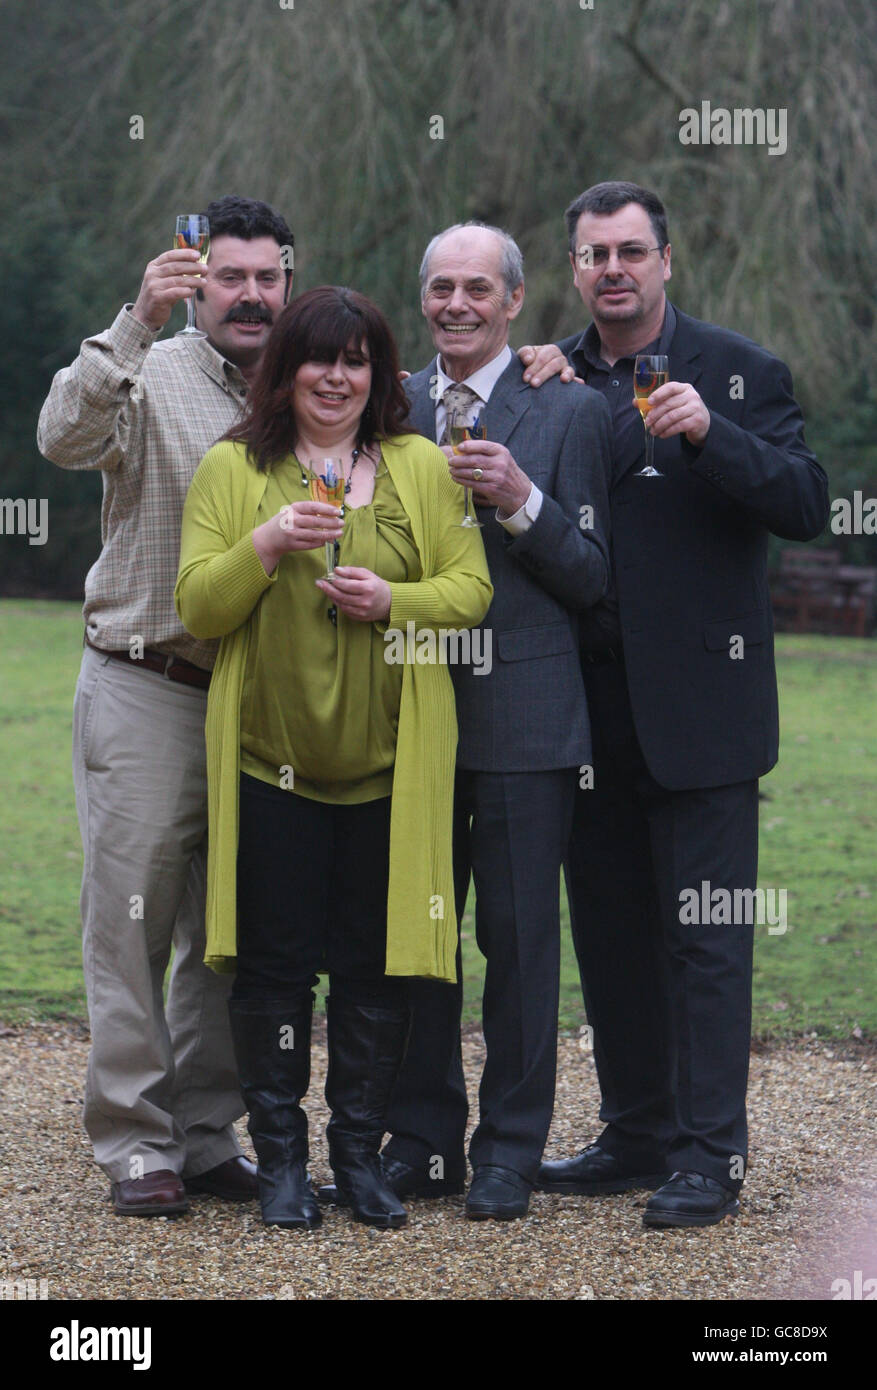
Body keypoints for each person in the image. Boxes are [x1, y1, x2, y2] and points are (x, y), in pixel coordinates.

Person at [527, 181, 829, 1227]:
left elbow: (806, 502)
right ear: (573, 269)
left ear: (666, 261)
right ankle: (637, 1130)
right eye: (593, 254)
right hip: (587, 712)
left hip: (705, 712)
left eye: (629, 251)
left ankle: (709, 1156)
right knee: (609, 935)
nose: (612, 268)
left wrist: (712, 435)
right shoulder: (548, 375)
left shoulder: (741, 371)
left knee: (706, 945)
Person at [174, 285, 493, 1231]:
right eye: (320, 358)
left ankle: (357, 1160)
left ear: (378, 374)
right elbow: (197, 607)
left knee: (371, 968)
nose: (337, 376)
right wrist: (268, 544)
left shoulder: (419, 466)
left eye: (356, 360)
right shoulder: (236, 468)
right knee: (273, 971)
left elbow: (469, 588)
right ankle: (279, 1163)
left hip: (389, 771)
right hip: (267, 764)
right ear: (287, 368)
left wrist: (393, 603)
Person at [36, 195, 294, 1216]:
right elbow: (62, 434)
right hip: (147, 681)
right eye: (228, 275)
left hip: (257, 696)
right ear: (196, 282)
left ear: (288, 278)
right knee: (134, 924)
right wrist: (134, 320)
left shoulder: (306, 383)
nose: (250, 293)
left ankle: (202, 1131)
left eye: (267, 276)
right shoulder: (149, 369)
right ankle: (135, 1139)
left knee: (223, 932)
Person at [376, 222, 612, 1221]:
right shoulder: (389, 405)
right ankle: (423, 1139)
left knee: (517, 945)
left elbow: (596, 578)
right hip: (413, 713)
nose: (457, 304)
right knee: (422, 940)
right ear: (422, 298)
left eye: (478, 288)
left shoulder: (571, 410)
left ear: (515, 301)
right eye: (440, 288)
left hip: (526, 715)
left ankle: (511, 1149)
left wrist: (521, 501)